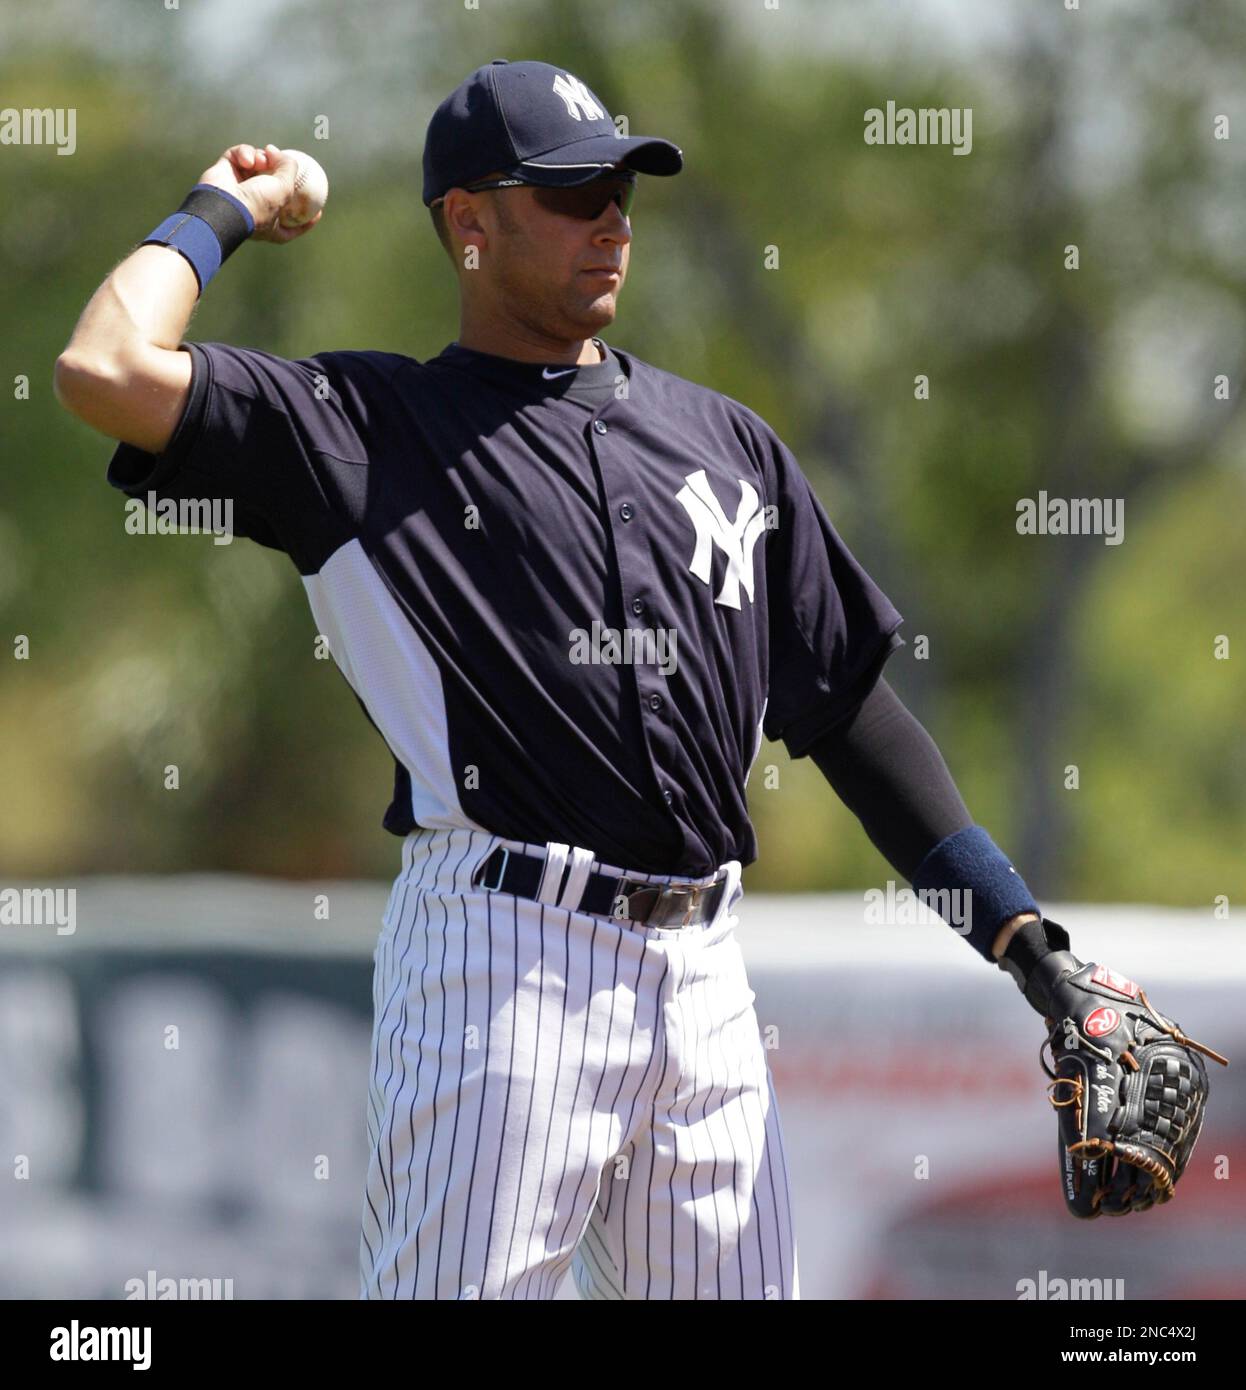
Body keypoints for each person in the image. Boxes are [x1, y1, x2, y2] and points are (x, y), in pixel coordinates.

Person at [54, 59, 1220, 1301]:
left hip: (706, 976)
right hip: (503, 961)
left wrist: (1029, 945)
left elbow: (847, 715)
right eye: (568, 192)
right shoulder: (362, 430)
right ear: (468, 223)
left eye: (620, 186)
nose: (609, 217)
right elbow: (104, 364)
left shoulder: (723, 441)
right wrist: (221, 207)